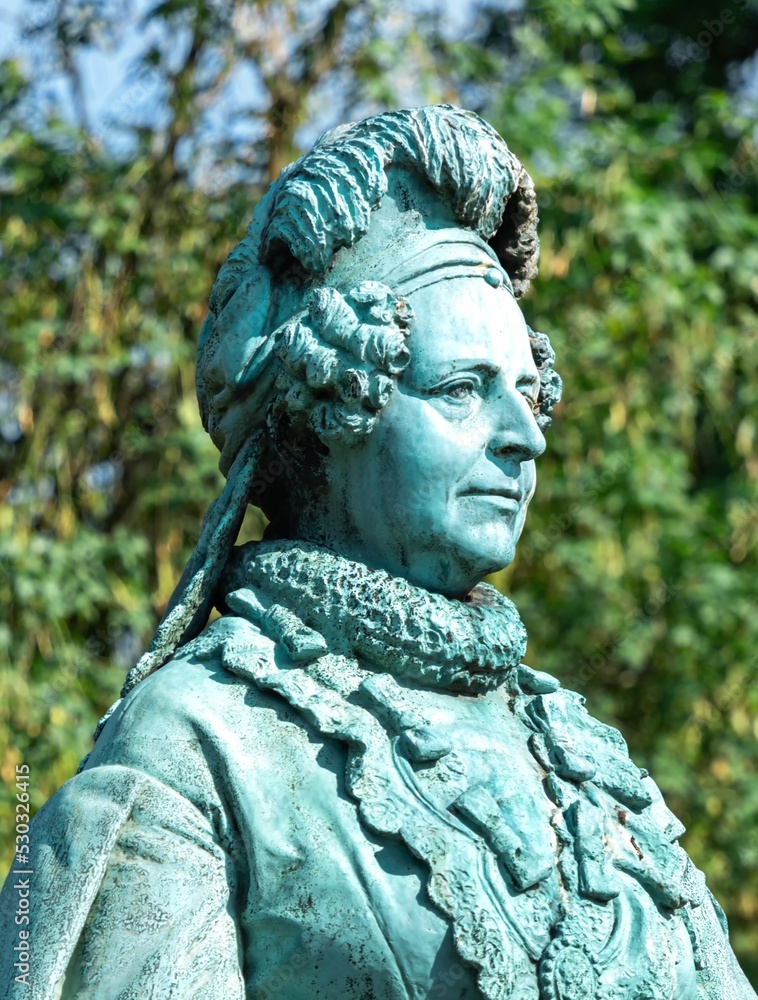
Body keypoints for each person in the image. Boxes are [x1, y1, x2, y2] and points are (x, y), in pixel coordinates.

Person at [1, 105, 754, 1000]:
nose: (526, 437)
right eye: (463, 390)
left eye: (529, 393)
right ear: (335, 406)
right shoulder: (193, 744)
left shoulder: (584, 752)